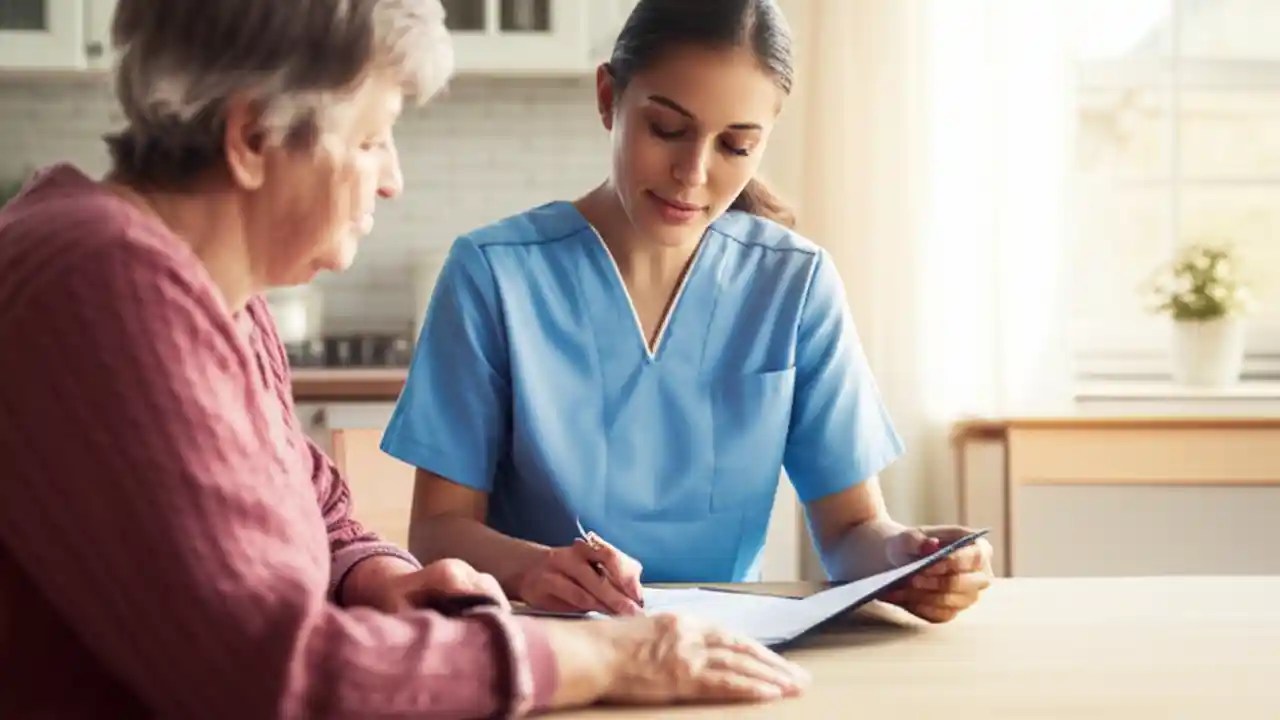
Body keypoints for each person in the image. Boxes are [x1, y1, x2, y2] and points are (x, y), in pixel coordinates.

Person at [0, 1, 811, 717]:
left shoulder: (211, 294)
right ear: (253, 136)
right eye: (371, 137)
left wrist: (376, 576)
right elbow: (270, 674)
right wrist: (606, 657)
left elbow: (319, 511)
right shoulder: (99, 284)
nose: (391, 179)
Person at [383, 0, 995, 620]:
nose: (692, 174)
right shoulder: (492, 274)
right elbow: (438, 531)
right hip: (545, 647)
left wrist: (911, 560)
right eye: (667, 130)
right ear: (607, 98)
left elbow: (851, 531)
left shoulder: (794, 283)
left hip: (724, 657)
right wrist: (534, 568)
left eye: (734, 145)